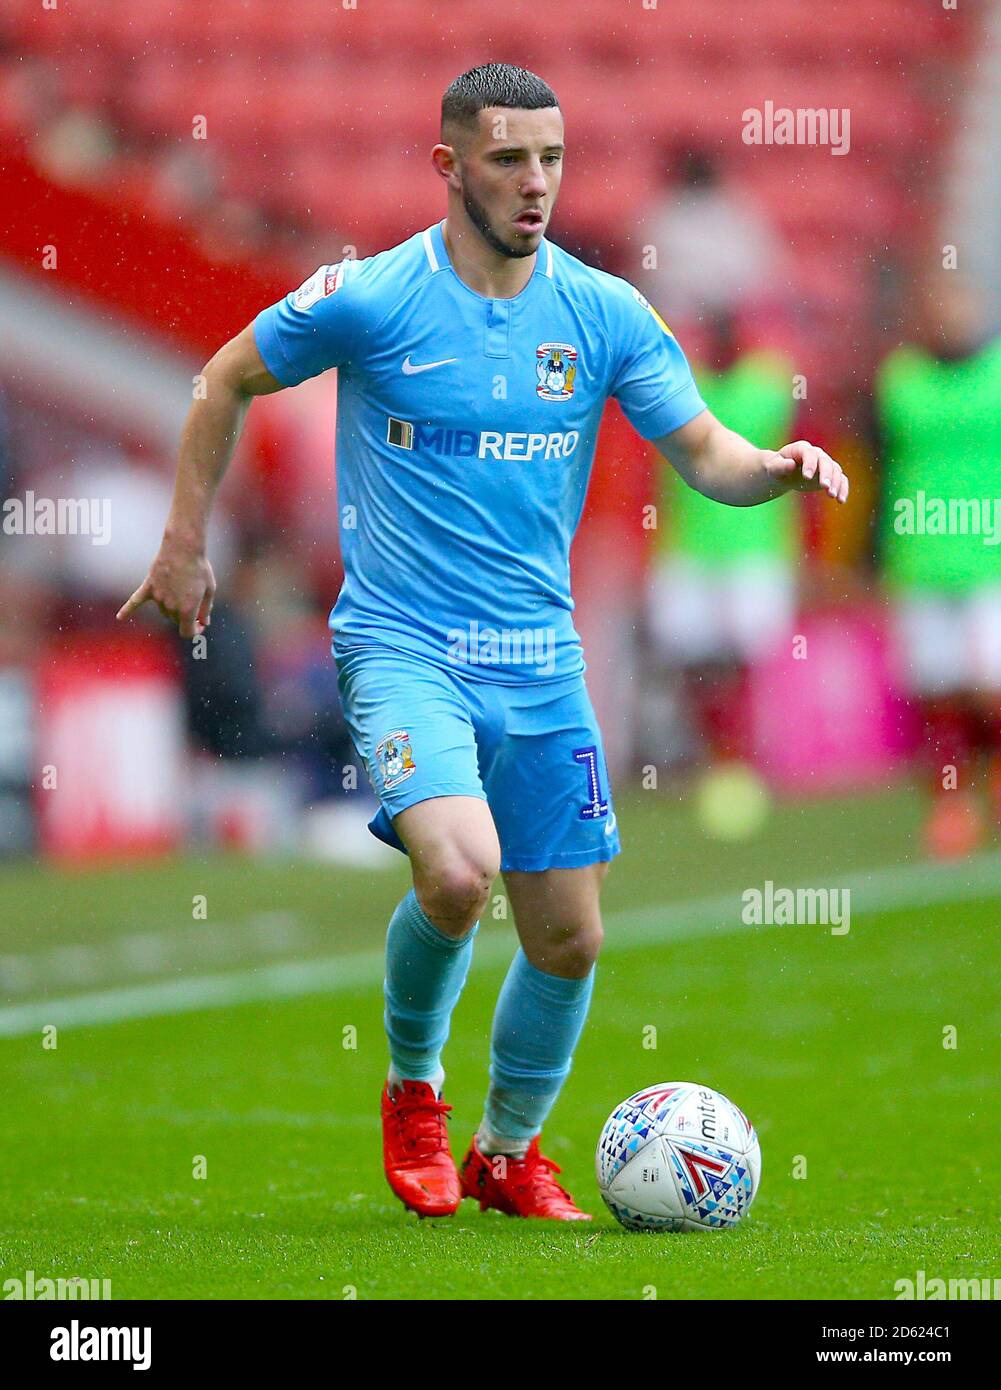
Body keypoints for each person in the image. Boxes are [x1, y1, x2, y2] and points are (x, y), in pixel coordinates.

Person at [118, 64, 849, 1221]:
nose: (535, 182)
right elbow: (223, 379)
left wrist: (771, 468)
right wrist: (182, 545)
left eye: (550, 158)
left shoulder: (602, 312)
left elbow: (704, 449)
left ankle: (506, 1152)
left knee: (568, 938)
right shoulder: (370, 298)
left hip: (541, 659)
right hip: (404, 644)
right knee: (457, 874)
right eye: (508, 158)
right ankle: (413, 1090)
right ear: (447, 166)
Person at [875, 274, 1001, 857]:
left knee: (991, 685)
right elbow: (874, 467)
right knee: (937, 691)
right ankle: (951, 804)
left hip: (990, 557)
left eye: (960, 304)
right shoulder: (899, 382)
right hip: (920, 556)